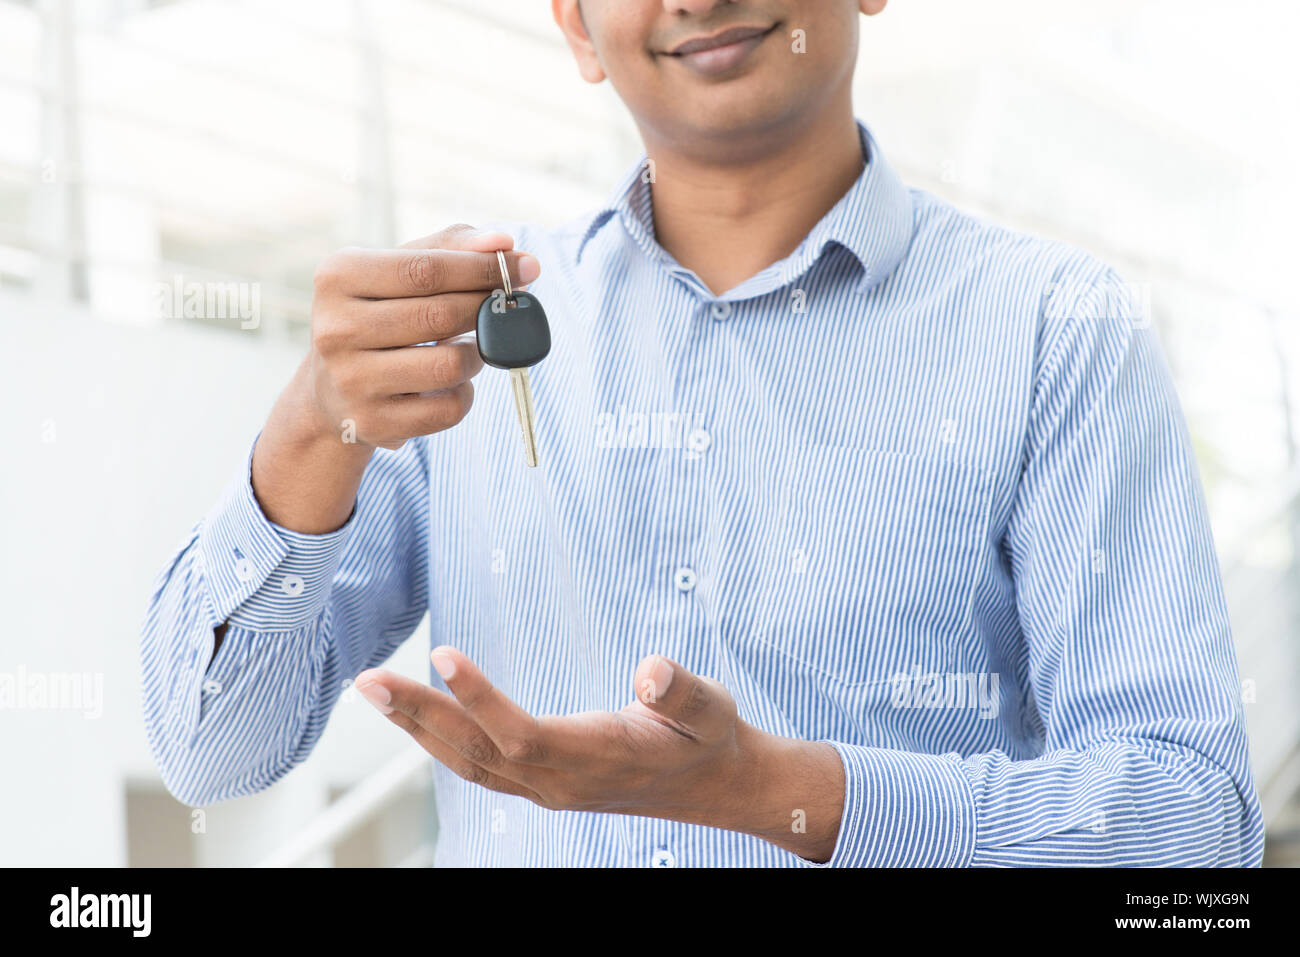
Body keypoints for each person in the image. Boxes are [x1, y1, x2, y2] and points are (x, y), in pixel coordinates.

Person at [140, 0, 1265, 867]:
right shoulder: (460, 340)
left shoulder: (1056, 330)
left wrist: (780, 793)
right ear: (577, 25)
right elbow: (213, 750)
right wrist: (305, 434)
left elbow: (1192, 831)